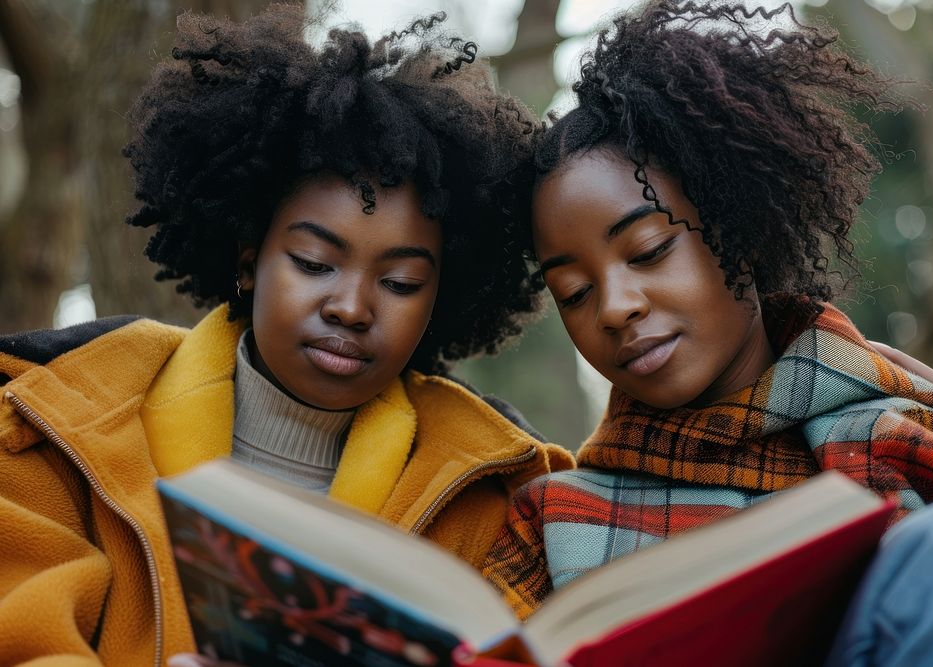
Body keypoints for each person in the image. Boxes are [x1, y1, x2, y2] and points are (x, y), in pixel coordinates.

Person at [0, 5, 573, 665]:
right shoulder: (56, 425)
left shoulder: (498, 489)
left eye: (401, 282)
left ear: (440, 298)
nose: (351, 308)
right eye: (313, 262)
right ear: (249, 261)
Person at [480, 2, 933, 664]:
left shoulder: (905, 431)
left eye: (648, 251)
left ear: (740, 232)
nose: (614, 308)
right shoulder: (552, 521)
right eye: (574, 293)